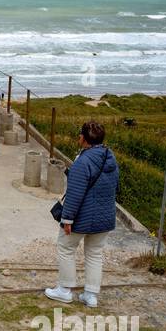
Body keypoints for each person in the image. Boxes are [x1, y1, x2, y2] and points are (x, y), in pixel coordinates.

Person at [46, 121, 119, 307]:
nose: (78, 137)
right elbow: (114, 186)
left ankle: (64, 290)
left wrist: (67, 219)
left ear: (84, 139)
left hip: (82, 216)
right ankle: (91, 295)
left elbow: (75, 193)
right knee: (95, 253)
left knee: (65, 247)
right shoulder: (110, 158)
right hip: (105, 215)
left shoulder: (83, 161)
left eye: (80, 135)